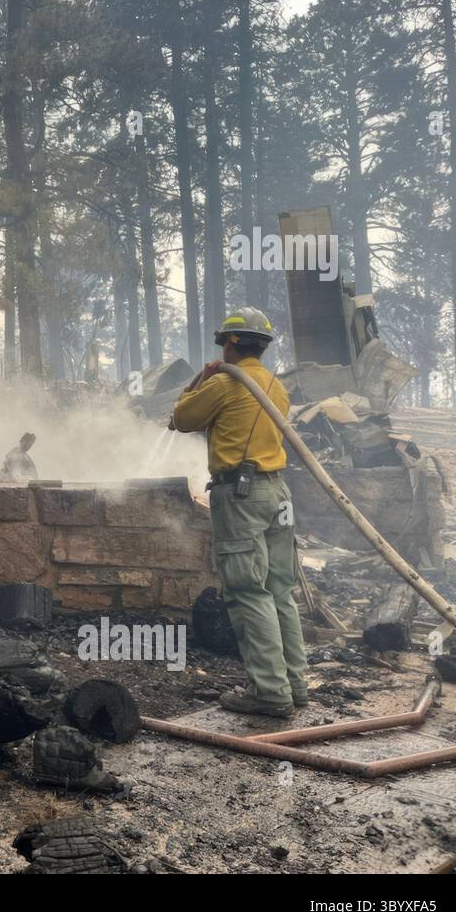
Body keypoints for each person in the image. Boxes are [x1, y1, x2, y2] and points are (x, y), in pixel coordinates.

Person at [170, 308, 308, 718]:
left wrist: (204, 376)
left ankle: (269, 693)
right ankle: (295, 685)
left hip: (241, 495)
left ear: (228, 343)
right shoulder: (275, 386)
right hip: (277, 492)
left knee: (248, 592)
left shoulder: (227, 383)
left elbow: (181, 418)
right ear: (262, 345)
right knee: (279, 589)